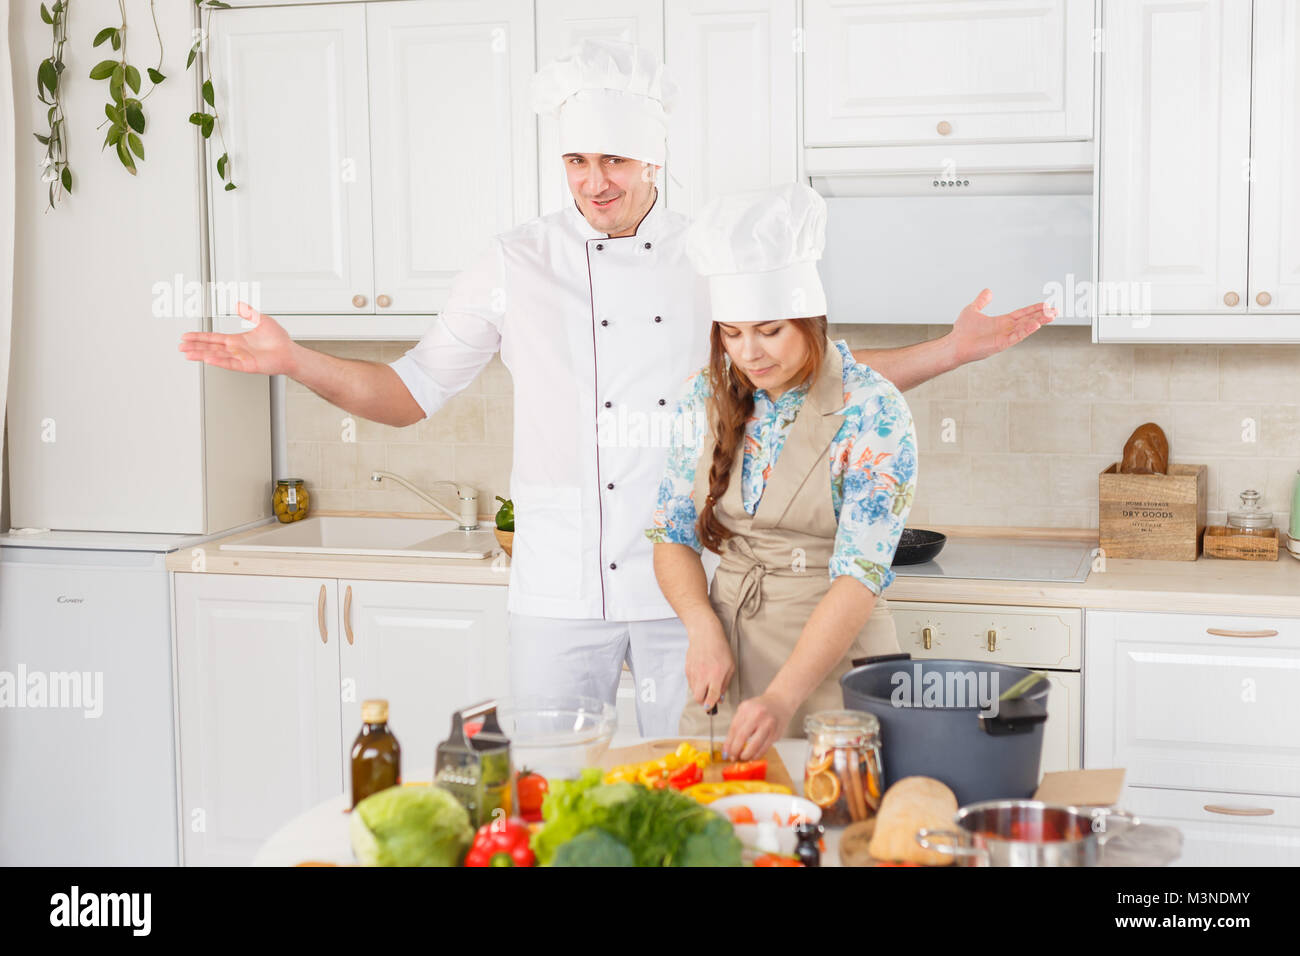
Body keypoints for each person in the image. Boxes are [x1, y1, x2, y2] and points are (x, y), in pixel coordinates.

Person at [177, 40, 1054, 737]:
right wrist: (295, 361)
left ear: (655, 160)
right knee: (556, 789)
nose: (595, 181)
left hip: (691, 590)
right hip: (557, 589)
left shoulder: (709, 254)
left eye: (616, 160)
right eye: (576, 160)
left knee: (685, 790)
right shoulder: (514, 262)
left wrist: (949, 351)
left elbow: (811, 382)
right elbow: (409, 391)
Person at [648, 183, 915, 761]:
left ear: (810, 320)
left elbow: (860, 573)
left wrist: (780, 698)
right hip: (728, 654)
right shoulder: (703, 397)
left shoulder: (873, 407)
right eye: (732, 333)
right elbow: (671, 533)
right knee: (711, 809)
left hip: (841, 665)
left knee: (837, 809)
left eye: (769, 330)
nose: (749, 353)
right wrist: (701, 627)